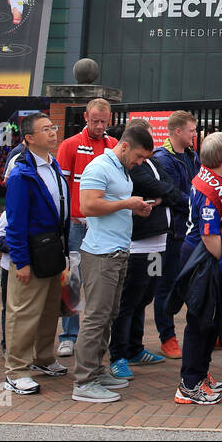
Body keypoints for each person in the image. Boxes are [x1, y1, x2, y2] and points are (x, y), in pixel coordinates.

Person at [71, 123, 155, 403]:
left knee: (108, 315)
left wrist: (136, 208)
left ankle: (96, 370)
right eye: (140, 157)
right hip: (100, 253)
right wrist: (127, 204)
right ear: (125, 145)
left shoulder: (120, 168)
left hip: (116, 251)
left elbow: (112, 203)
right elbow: (88, 206)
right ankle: (83, 381)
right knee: (96, 317)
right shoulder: (99, 167)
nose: (141, 163)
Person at [2, 114, 69, 395]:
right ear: (29, 138)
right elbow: (15, 222)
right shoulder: (21, 173)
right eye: (45, 130)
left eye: (52, 128)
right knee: (24, 312)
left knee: (49, 309)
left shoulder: (53, 167)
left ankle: (44, 357)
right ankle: (16, 370)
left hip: (53, 249)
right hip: (32, 251)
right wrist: (22, 261)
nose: (53, 133)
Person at [108, 125, 182, 378]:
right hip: (139, 243)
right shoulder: (131, 166)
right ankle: (118, 353)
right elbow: (156, 187)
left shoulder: (152, 161)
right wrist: (165, 194)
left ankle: (135, 347)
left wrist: (164, 195)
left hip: (158, 242)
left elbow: (169, 187)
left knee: (145, 297)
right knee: (129, 300)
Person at [175, 131, 222, 405]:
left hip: (210, 256)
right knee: (201, 321)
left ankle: (200, 374)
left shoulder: (217, 180)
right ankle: (189, 384)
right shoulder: (208, 189)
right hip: (204, 259)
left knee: (210, 321)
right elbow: (209, 236)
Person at [55, 98, 118, 357]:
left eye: (104, 121)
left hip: (101, 224)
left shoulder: (113, 145)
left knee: (99, 280)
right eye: (95, 121)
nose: (100, 126)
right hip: (77, 223)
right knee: (73, 279)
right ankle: (69, 334)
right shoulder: (70, 145)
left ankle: (95, 334)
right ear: (85, 117)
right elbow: (61, 187)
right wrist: (66, 218)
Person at [150, 110, 199, 360]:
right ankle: (166, 337)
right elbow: (171, 193)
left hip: (189, 231)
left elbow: (199, 183)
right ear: (177, 131)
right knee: (166, 285)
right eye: (191, 130)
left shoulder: (191, 155)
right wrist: (195, 202)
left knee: (194, 283)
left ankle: (201, 331)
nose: (195, 134)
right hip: (172, 232)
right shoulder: (163, 158)